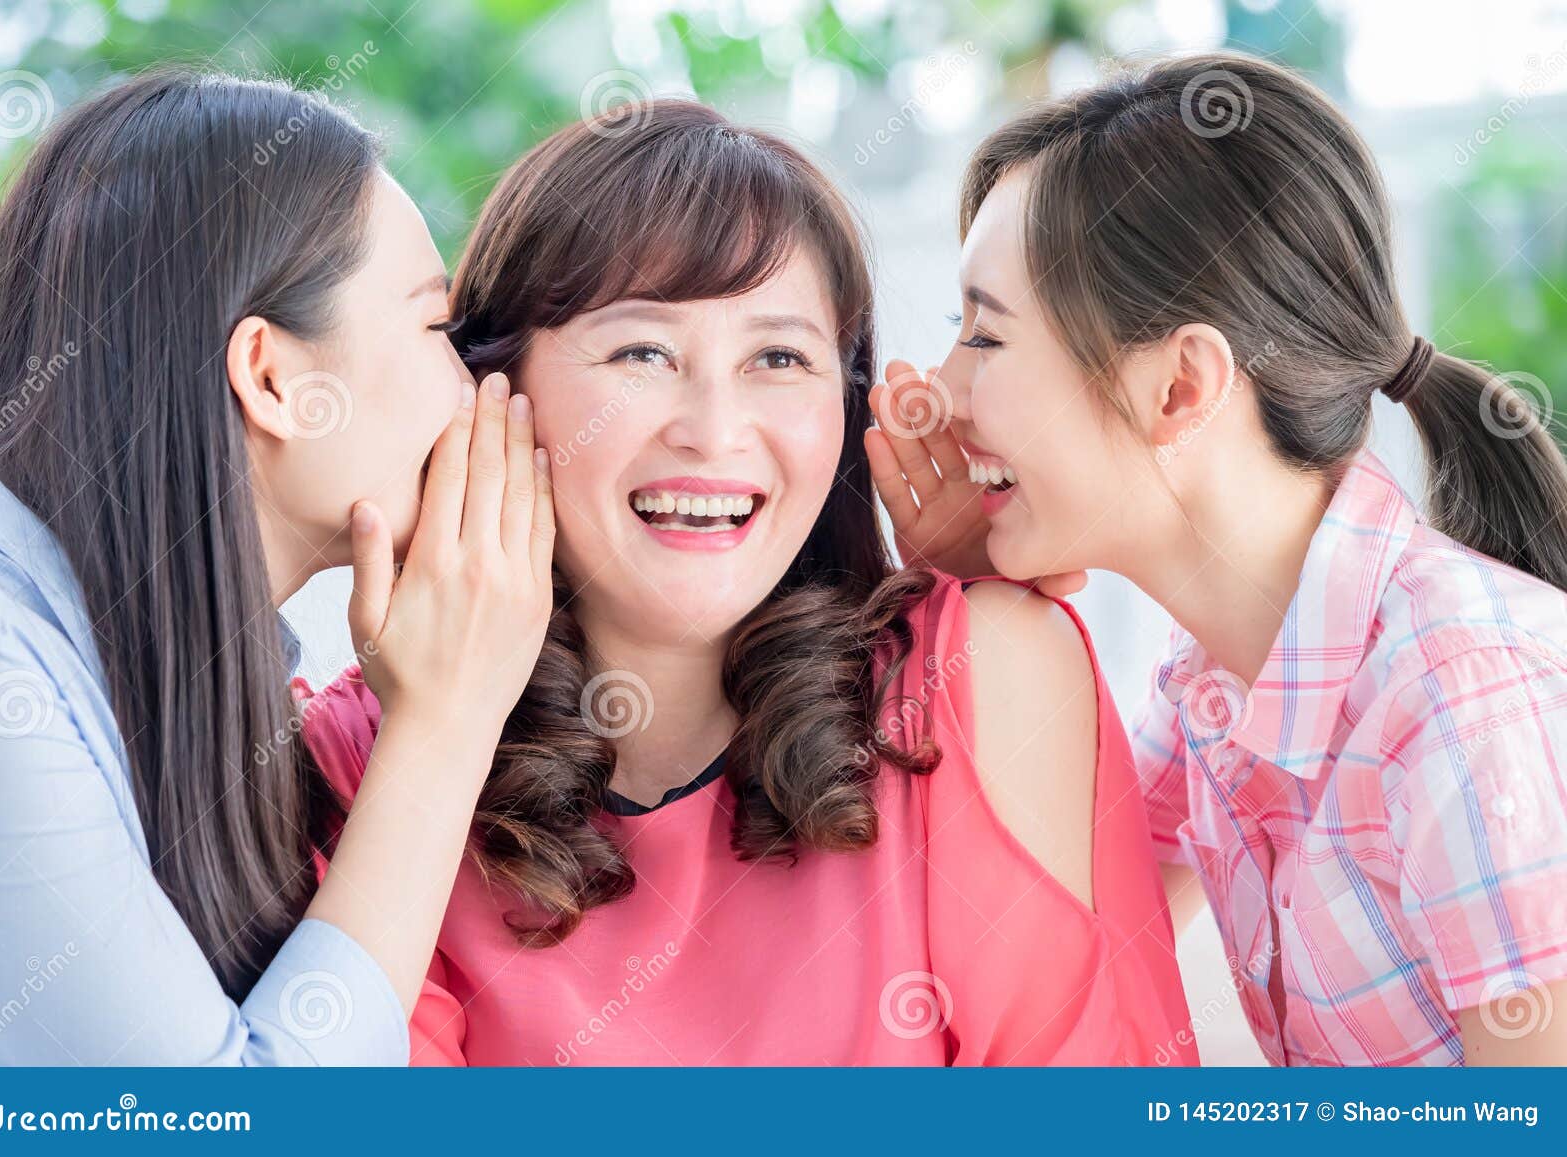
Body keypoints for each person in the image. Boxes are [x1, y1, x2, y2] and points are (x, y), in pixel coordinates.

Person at [302, 100, 1197, 1066]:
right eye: (642, 352)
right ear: (494, 390)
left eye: (780, 357)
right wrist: (438, 731)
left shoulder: (981, 679)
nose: (717, 429)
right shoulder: (361, 762)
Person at [866, 53, 1567, 1065]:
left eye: (985, 335)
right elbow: (1049, 930)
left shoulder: (1460, 696)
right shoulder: (1214, 688)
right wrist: (970, 599)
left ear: (1180, 387)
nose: (939, 390)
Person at [0, 70, 554, 1065]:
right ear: (274, 379)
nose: (478, 389)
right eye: (436, 329)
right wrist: (446, 723)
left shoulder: (181, 675)